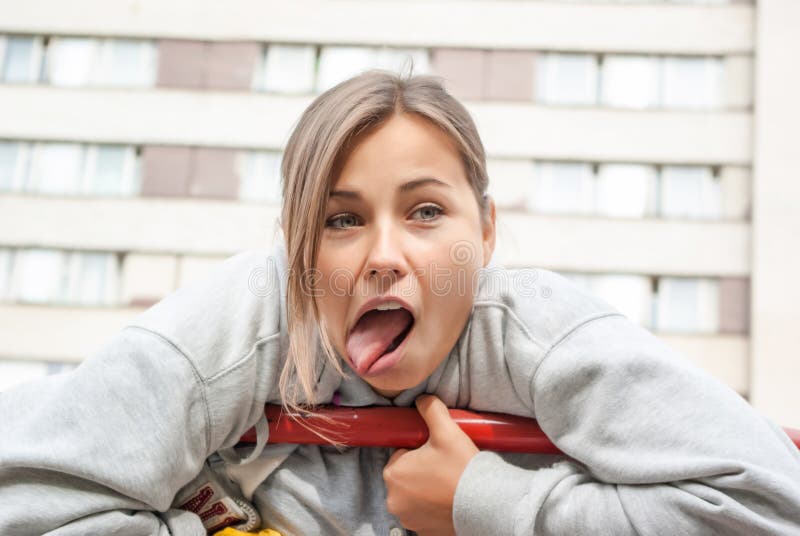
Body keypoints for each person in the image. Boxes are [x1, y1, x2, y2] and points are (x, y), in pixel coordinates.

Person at [1, 69, 800, 536]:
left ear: (485, 233)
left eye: (425, 212)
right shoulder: (248, 321)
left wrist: (487, 502)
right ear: (297, 248)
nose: (385, 255)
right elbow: (32, 492)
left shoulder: (536, 336)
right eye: (341, 221)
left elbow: (768, 507)